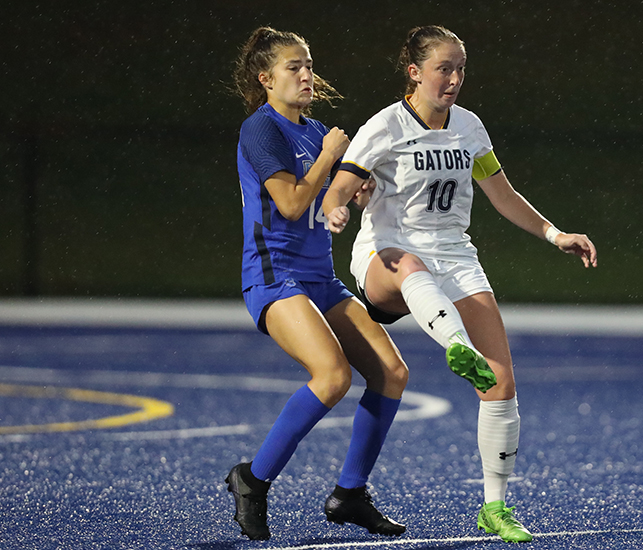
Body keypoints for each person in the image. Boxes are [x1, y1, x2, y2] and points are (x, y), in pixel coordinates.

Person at [323, 25, 598, 543]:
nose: (453, 79)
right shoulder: (383, 125)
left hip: (455, 258)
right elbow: (339, 186)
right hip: (387, 259)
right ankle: (455, 345)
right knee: (408, 264)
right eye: (443, 69)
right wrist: (337, 208)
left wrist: (554, 233)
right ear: (414, 72)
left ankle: (494, 507)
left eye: (460, 69)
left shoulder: (469, 128)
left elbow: (503, 194)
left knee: (501, 385)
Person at [226, 26, 410, 541]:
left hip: (320, 279)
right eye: (293, 67)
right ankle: (252, 480)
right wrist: (331, 158)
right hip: (274, 276)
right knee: (331, 377)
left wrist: (351, 198)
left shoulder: (316, 131)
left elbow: (323, 203)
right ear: (266, 79)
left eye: (308, 65)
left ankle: (349, 494)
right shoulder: (261, 130)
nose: (306, 75)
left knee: (392, 373)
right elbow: (288, 203)